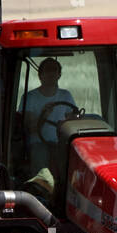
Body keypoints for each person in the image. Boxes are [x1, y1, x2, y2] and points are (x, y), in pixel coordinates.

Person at [17, 57, 76, 197]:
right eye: (47, 70)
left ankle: (67, 194)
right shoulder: (30, 97)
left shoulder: (66, 96)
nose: (51, 74)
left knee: (70, 164)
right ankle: (40, 193)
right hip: (37, 143)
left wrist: (67, 124)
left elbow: (74, 120)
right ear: (40, 75)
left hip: (61, 143)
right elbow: (28, 127)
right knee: (41, 160)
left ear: (59, 74)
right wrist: (44, 115)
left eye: (54, 70)